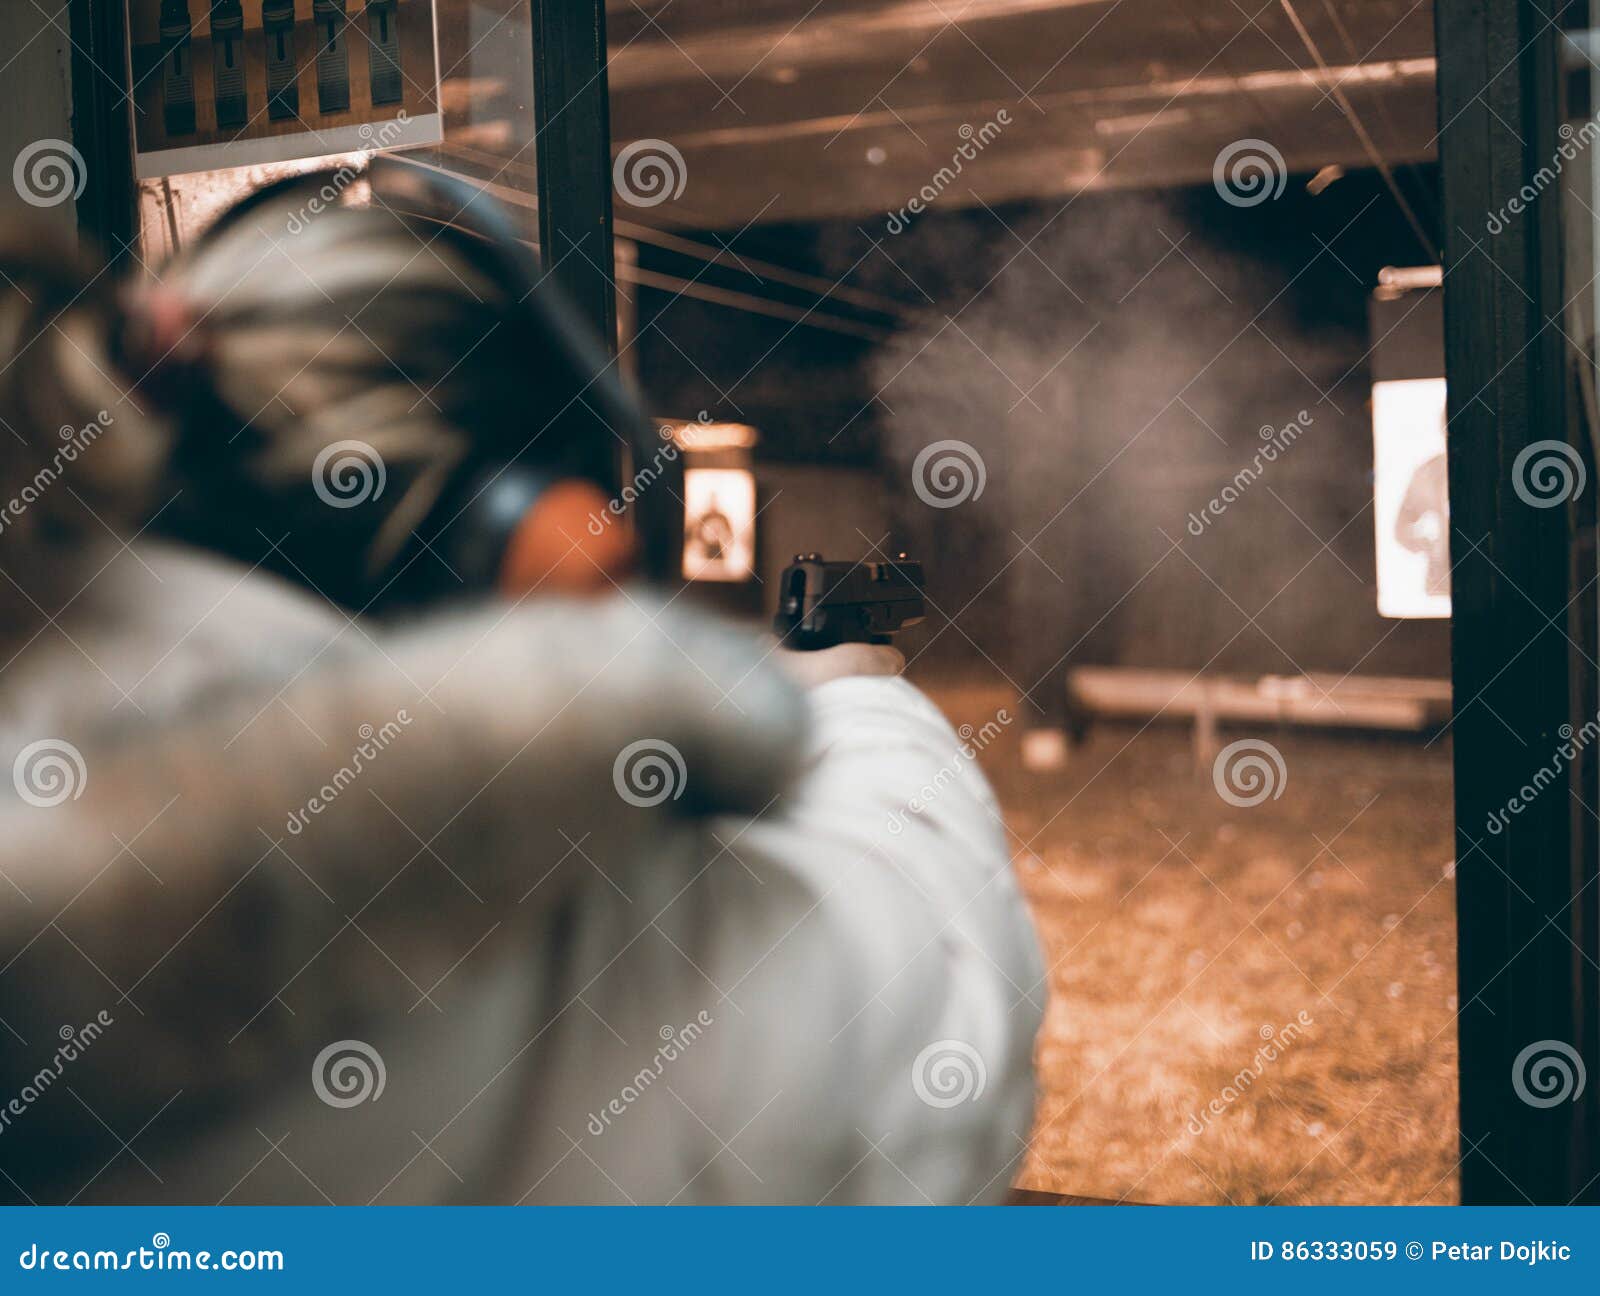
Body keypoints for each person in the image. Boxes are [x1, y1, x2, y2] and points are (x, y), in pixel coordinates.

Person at [0, 183, 1042, 1206]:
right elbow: (933, 1026)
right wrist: (856, 706)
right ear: (521, 531)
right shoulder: (439, 877)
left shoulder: (68, 670)